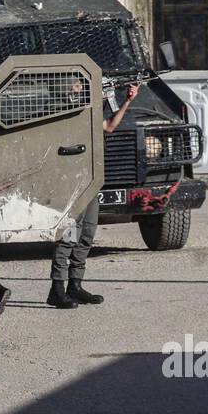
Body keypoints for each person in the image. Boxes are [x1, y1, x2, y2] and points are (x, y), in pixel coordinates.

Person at [47, 80, 140, 309]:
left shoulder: (90, 108)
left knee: (87, 232)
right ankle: (57, 287)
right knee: (69, 233)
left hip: (90, 178)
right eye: (77, 83)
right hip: (69, 180)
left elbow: (108, 126)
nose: (79, 88)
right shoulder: (63, 107)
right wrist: (95, 95)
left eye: (82, 84)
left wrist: (127, 101)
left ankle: (75, 285)